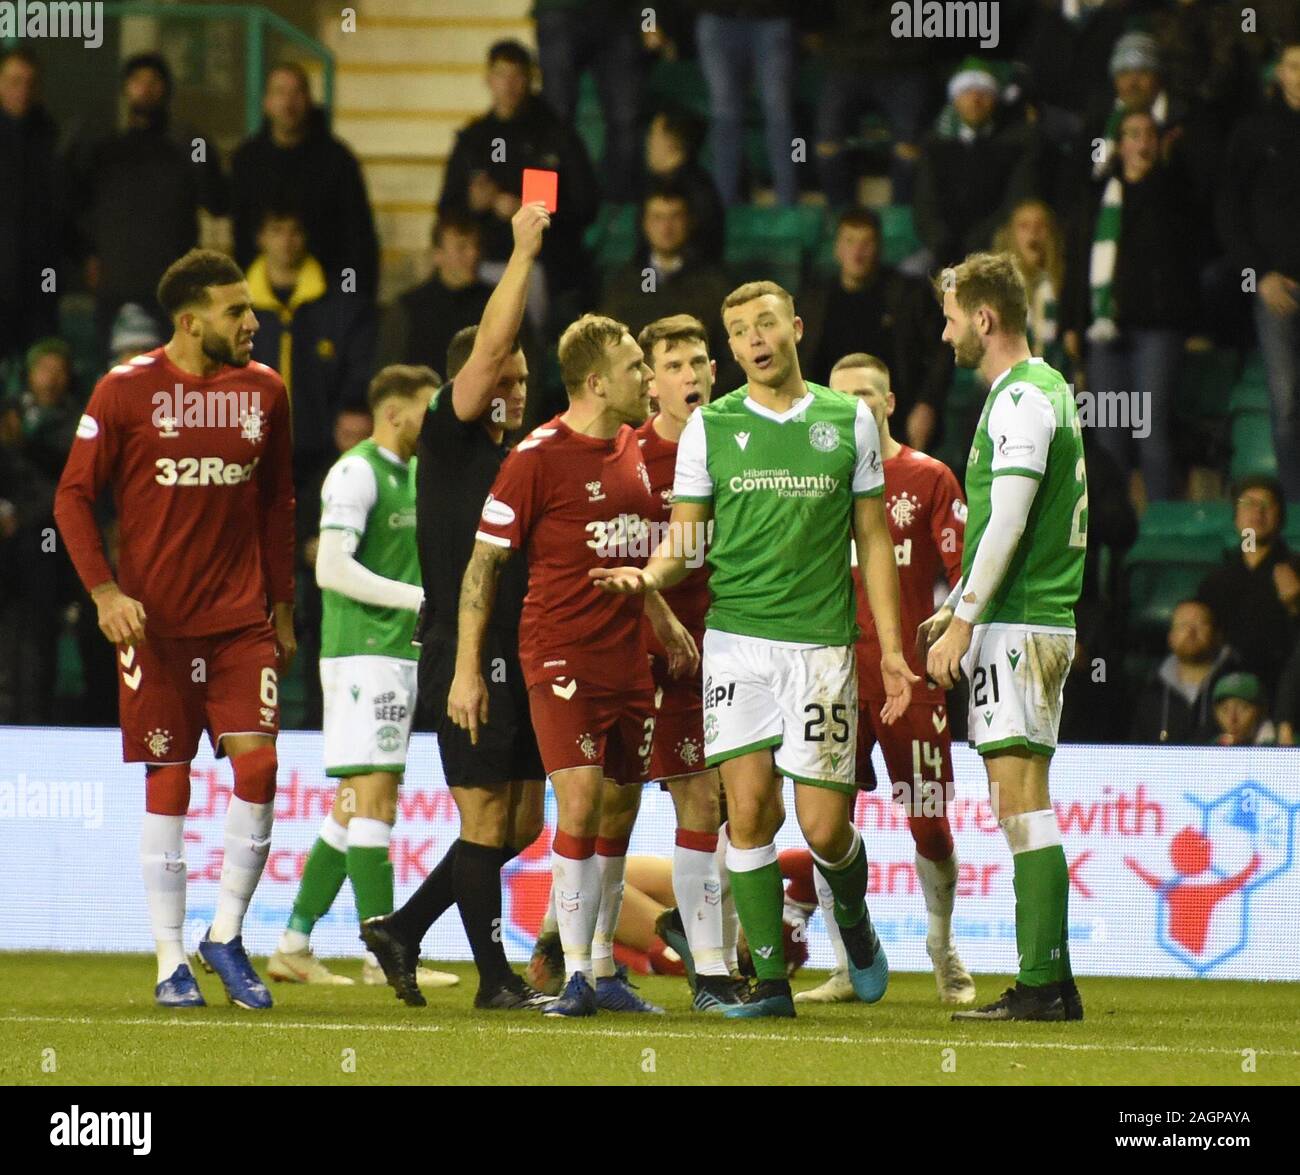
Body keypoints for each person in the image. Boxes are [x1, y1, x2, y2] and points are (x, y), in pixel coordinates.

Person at [594, 280, 916, 1019]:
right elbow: (686, 538)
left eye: (765, 323)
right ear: (731, 348)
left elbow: (872, 536)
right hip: (736, 645)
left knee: (826, 828)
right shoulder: (713, 428)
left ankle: (855, 923)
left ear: (795, 327)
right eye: (738, 331)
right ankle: (768, 984)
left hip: (822, 649)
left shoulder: (847, 422)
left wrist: (890, 650)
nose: (754, 340)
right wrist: (649, 576)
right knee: (746, 813)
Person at [53, 248, 296, 1008]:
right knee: (171, 781)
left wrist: (281, 608)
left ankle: (224, 933)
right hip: (151, 629)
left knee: (258, 771)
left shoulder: (267, 392)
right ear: (190, 321)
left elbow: (278, 503)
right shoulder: (124, 391)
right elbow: (71, 498)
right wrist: (103, 593)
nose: (253, 322)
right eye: (237, 311)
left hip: (238, 623)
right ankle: (168, 958)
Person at [447, 311, 697, 1018]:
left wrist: (662, 617)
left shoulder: (633, 450)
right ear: (595, 381)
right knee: (581, 800)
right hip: (559, 654)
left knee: (617, 809)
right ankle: (577, 976)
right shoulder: (535, 456)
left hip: (627, 658)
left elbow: (628, 553)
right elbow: (483, 565)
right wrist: (467, 670)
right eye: (635, 368)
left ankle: (601, 967)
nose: (648, 378)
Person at [362, 205, 557, 1011]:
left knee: (518, 825)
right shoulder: (449, 435)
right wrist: (520, 253)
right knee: (484, 820)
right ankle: (493, 979)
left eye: (520, 381)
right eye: (500, 379)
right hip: (461, 648)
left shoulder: (529, 452)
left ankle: (403, 927)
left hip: (526, 649)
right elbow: (489, 346)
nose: (511, 391)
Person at [532, 313, 744, 1012]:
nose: (691, 376)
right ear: (648, 381)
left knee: (709, 800)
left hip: (706, 650)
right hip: (627, 650)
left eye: (700, 362)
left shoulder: (739, 447)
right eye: (674, 364)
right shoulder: (627, 453)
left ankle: (711, 968)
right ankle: (590, 962)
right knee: (611, 808)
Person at [921, 251, 1086, 1022]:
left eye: (952, 315)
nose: (945, 328)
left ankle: (1044, 984)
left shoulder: (1022, 398)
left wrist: (964, 620)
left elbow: (1011, 520)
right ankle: (1052, 977)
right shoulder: (1041, 389)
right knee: (1022, 795)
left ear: (984, 318)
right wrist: (957, 603)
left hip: (1020, 621)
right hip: (1028, 616)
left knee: (1021, 798)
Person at [268, 366, 457, 991]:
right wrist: (421, 598)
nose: (436, 421)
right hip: (362, 655)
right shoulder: (355, 471)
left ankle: (294, 944)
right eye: (428, 409)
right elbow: (330, 569)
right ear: (396, 413)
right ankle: (383, 954)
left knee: (351, 807)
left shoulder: (412, 472)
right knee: (375, 799)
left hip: (395, 652)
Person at [795, 352, 974, 1006]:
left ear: (890, 401)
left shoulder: (927, 477)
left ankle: (941, 940)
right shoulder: (814, 481)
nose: (855, 409)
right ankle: (845, 960)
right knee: (825, 823)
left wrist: (952, 628)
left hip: (907, 677)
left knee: (927, 819)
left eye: (866, 395)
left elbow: (965, 575)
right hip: (830, 676)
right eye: (841, 399)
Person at [1062, 108, 1198, 505]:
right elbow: (1078, 263)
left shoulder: (1173, 190)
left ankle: (1161, 527)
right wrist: (1074, 322)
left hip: (1157, 329)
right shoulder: (1098, 196)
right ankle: (1113, 533)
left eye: (1148, 134)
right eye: (1132, 135)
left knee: (1150, 431)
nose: (1141, 143)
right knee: (1108, 436)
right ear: (1119, 145)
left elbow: (1186, 248)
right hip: (1104, 331)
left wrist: (1164, 171)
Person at [69, 54, 228, 359]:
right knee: (116, 385)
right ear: (126, 89)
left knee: (173, 380)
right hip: (115, 286)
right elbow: (74, 208)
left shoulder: (186, 147)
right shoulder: (104, 150)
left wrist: (202, 156)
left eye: (154, 82)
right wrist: (87, 255)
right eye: (137, 81)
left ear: (166, 90)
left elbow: (217, 202)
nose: (145, 89)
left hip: (172, 289)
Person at [437, 39, 598, 317]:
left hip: (543, 264)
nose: (509, 85)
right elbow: (446, 209)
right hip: (481, 264)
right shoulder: (473, 140)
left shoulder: (554, 136)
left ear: (530, 79)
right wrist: (473, 205)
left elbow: (586, 204)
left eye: (517, 76)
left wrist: (531, 212)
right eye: (501, 75)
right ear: (488, 79)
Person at [1218, 39, 1300, 500]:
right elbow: (1229, 210)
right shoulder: (1254, 132)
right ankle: (1294, 516)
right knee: (1287, 405)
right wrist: (1260, 273)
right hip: (1278, 292)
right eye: (1293, 66)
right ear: (1279, 74)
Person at [797, 207, 950, 447]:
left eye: (866, 243)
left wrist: (927, 404)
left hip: (896, 422)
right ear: (837, 248)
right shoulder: (814, 301)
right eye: (850, 241)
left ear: (879, 247)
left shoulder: (908, 296)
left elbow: (942, 351)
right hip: (830, 423)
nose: (857, 252)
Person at [245, 205, 376, 483]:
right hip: (251, 454)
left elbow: (359, 366)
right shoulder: (235, 306)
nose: (286, 241)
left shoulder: (339, 305)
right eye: (277, 231)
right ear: (260, 238)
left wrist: (352, 407)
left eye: (295, 232)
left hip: (324, 455)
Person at [230, 63, 379, 302]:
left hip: (328, 296)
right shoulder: (247, 160)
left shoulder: (338, 160)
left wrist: (355, 297)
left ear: (309, 100)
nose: (288, 102)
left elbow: (358, 236)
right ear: (266, 102)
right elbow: (241, 234)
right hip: (262, 297)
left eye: (296, 92)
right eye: (280, 92)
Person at [599, 183, 735, 386]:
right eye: (658, 218)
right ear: (644, 223)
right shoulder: (626, 283)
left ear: (690, 221)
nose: (666, 227)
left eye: (675, 217)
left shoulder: (713, 283)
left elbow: (730, 354)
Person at [914, 60, 1039, 271]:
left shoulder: (1018, 142)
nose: (975, 100)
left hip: (996, 249)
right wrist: (942, 245)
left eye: (983, 92)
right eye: (966, 92)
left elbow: (1013, 204)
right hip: (942, 252)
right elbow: (925, 205)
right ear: (954, 99)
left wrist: (975, 247)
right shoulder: (934, 144)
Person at [533, 0, 645, 201]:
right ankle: (540, 202)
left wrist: (650, 19)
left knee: (626, 118)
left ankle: (618, 210)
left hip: (618, 13)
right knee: (552, 116)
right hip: (562, 9)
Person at [1197, 476, 1300, 694]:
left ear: (1280, 517)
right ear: (1236, 518)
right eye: (1248, 503)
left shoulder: (1295, 571)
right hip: (1225, 695)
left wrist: (1295, 605)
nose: (1257, 512)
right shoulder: (1217, 580)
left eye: (1266, 504)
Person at [693, 2, 799, 206]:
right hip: (717, 16)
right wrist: (654, 26)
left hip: (772, 17)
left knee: (779, 112)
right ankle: (722, 202)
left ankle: (788, 200)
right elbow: (649, 14)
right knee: (724, 113)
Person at [0, 48, 61, 368]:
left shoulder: (49, 137)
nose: (21, 90)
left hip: (38, 284)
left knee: (40, 370)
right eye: (13, 81)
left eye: (29, 82)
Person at [379, 213, 492, 373]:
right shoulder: (409, 309)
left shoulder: (497, 303)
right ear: (437, 255)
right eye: (462, 247)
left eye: (477, 246)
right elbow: (387, 375)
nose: (473, 254)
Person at [1129, 599, 1241, 745]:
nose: (1190, 632)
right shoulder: (1151, 694)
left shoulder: (1239, 687)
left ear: (1217, 635)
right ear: (1171, 637)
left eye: (1200, 624)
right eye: (1182, 625)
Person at [643, 109, 725, 263]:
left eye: (654, 135)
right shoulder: (652, 185)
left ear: (672, 142)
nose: (649, 143)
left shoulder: (697, 191)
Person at [993, 198, 1067, 370]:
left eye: (1041, 226)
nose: (1033, 233)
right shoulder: (997, 288)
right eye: (1024, 226)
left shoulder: (1063, 286)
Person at [1210, 672, 1277, 746]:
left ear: (1261, 711)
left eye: (1243, 708)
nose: (1232, 719)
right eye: (1224, 710)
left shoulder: (1279, 745)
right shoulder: (1215, 746)